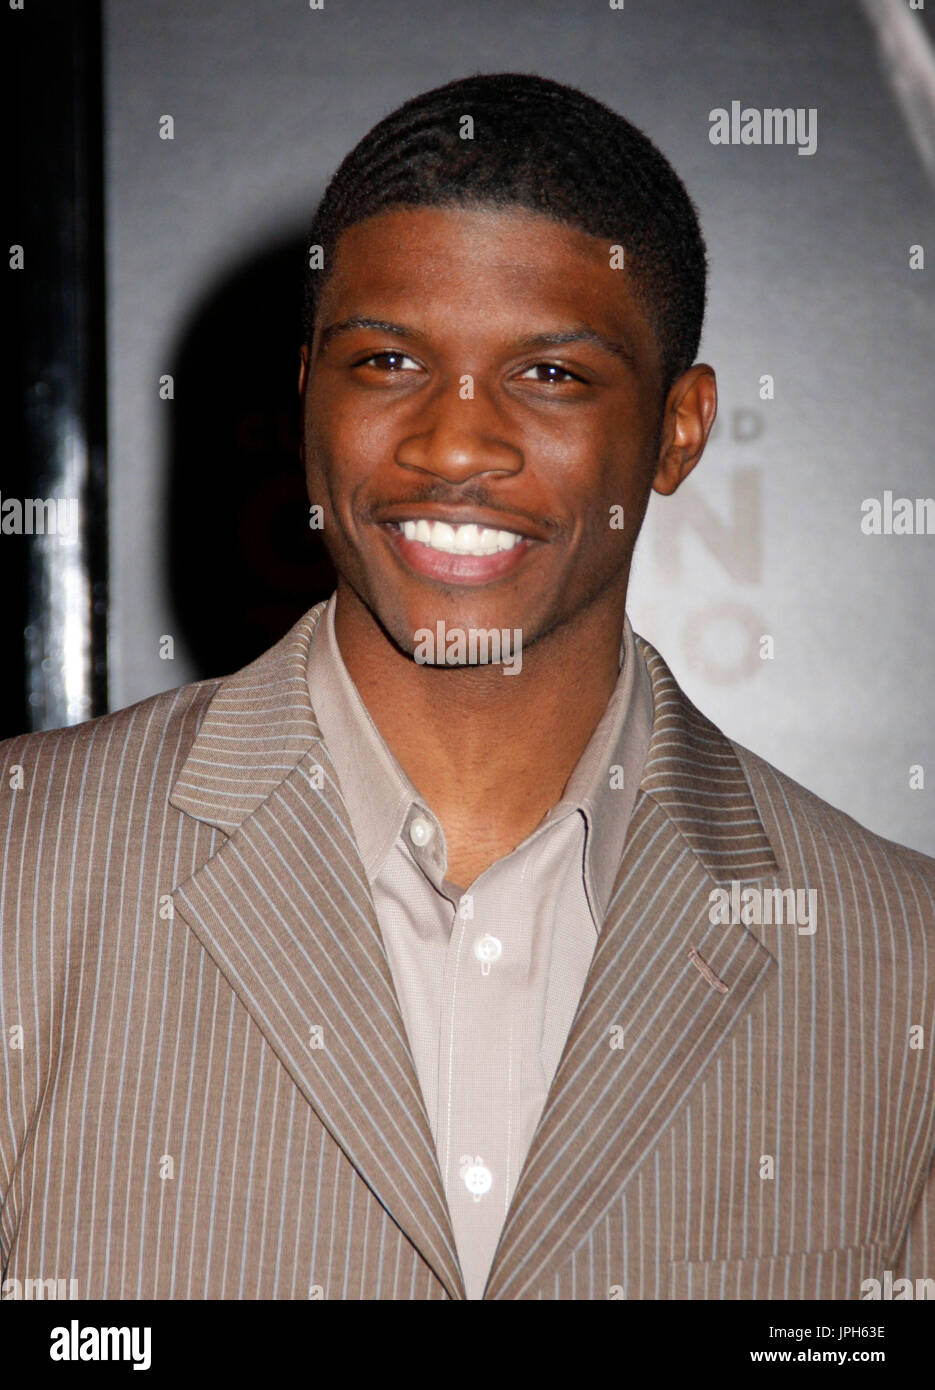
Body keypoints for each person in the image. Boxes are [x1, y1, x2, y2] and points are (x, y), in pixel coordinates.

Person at [1, 73, 932, 1302]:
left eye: (548, 375)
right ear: (305, 401)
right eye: (387, 360)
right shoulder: (22, 868)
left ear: (677, 431)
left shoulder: (897, 960)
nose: (452, 444)